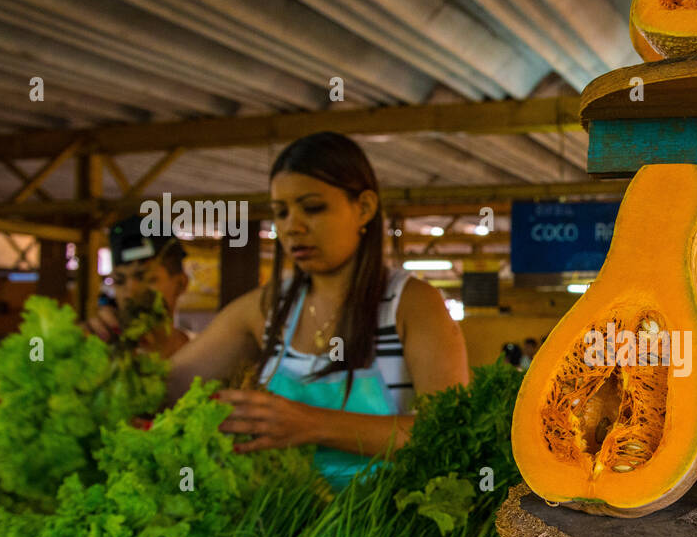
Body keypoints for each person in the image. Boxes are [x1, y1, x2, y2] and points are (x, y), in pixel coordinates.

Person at [164, 131, 469, 486]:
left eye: (313, 208)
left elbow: (449, 435)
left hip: (389, 529)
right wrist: (111, 349)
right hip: (284, 531)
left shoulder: (412, 306)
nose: (293, 226)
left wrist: (312, 424)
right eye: (281, 212)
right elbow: (168, 386)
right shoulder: (266, 309)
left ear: (365, 208)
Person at [86, 214, 193, 359]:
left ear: (181, 284)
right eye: (119, 281)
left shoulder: (210, 358)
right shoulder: (101, 357)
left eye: (145, 278)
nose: (130, 293)